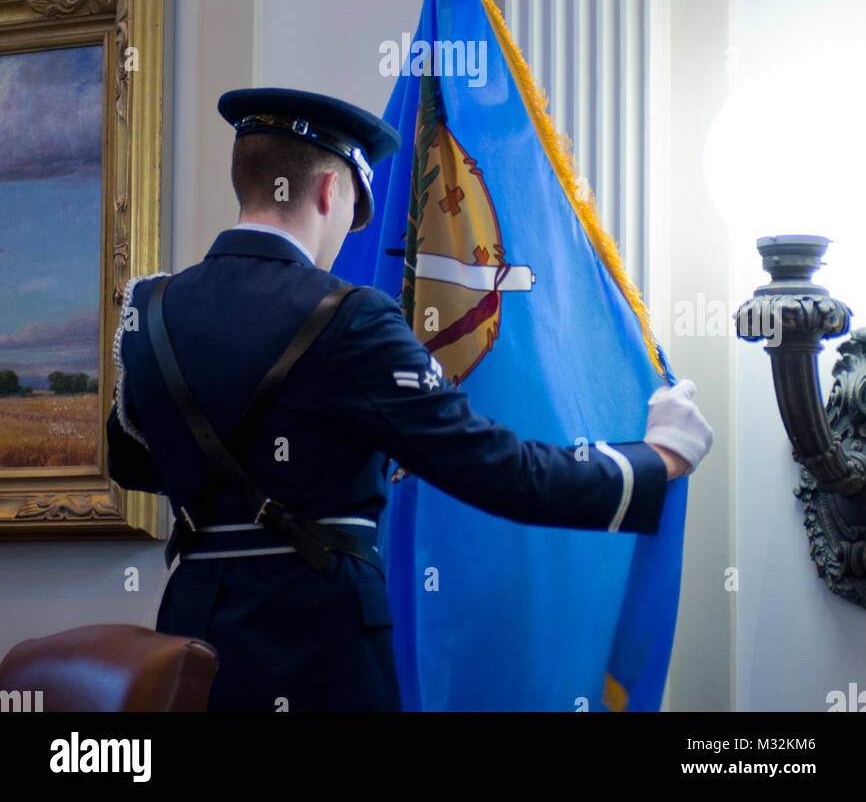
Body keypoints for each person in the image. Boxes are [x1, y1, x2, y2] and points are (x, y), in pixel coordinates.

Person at [107, 87, 713, 713]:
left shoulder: (149, 309)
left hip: (191, 640)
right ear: (329, 192)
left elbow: (133, 461)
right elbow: (498, 469)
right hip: (316, 646)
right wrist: (656, 458)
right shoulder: (351, 317)